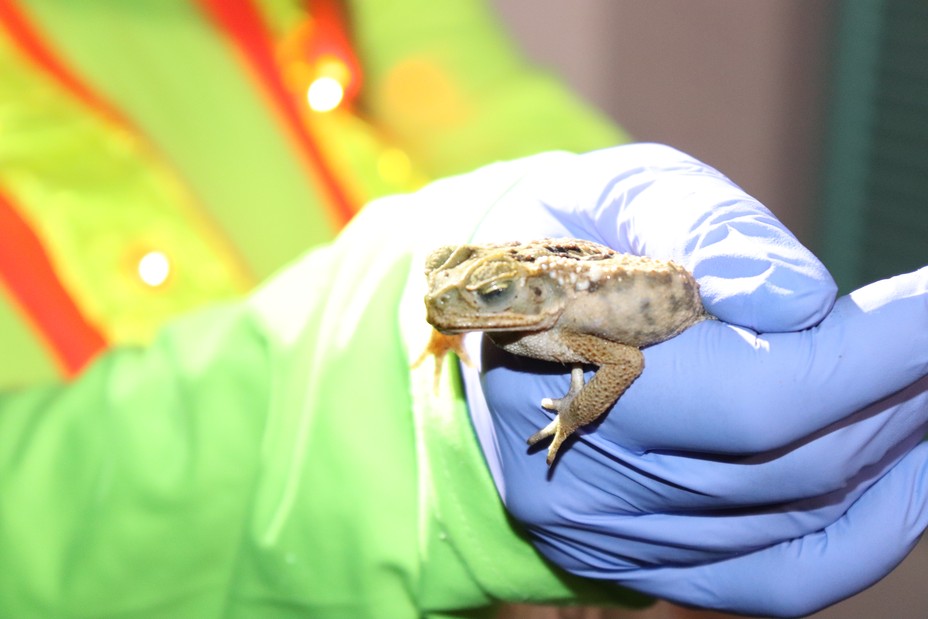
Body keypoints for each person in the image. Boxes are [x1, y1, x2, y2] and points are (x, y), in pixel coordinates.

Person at [2, 142, 927, 618]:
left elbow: (625, 356)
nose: (451, 311)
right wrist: (429, 418)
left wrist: (571, 415)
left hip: (678, 314)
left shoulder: (561, 318)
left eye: (478, 292)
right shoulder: (508, 313)